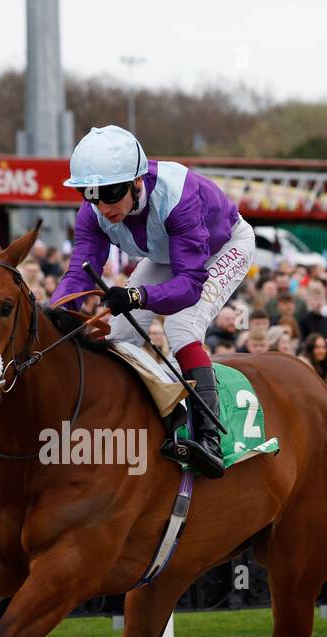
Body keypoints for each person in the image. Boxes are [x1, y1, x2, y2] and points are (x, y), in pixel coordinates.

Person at [52, 125, 256, 478]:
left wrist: (136, 295)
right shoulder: (93, 213)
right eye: (91, 194)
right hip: (165, 254)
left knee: (179, 325)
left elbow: (190, 286)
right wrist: (52, 314)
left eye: (112, 194)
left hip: (225, 246)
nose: (103, 206)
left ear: (137, 182)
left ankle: (210, 439)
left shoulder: (179, 198)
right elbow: (78, 276)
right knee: (117, 335)